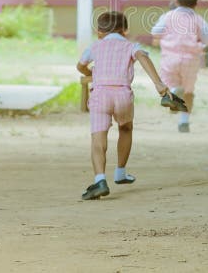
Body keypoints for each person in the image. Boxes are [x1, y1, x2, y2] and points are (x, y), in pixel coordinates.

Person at [76, 10, 185, 200]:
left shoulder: (95, 46)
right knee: (125, 128)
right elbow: (143, 56)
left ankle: (100, 180)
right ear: (124, 30)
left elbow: (80, 65)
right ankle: (120, 172)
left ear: (100, 31)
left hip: (100, 95)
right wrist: (159, 85)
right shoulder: (130, 46)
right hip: (123, 96)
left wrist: (89, 72)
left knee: (98, 140)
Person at [151, 0, 208, 133]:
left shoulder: (168, 17)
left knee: (166, 84)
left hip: (170, 58)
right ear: (196, 3)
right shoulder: (198, 19)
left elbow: (155, 31)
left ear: (176, 1)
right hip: (190, 59)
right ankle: (184, 122)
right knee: (188, 91)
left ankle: (173, 91)